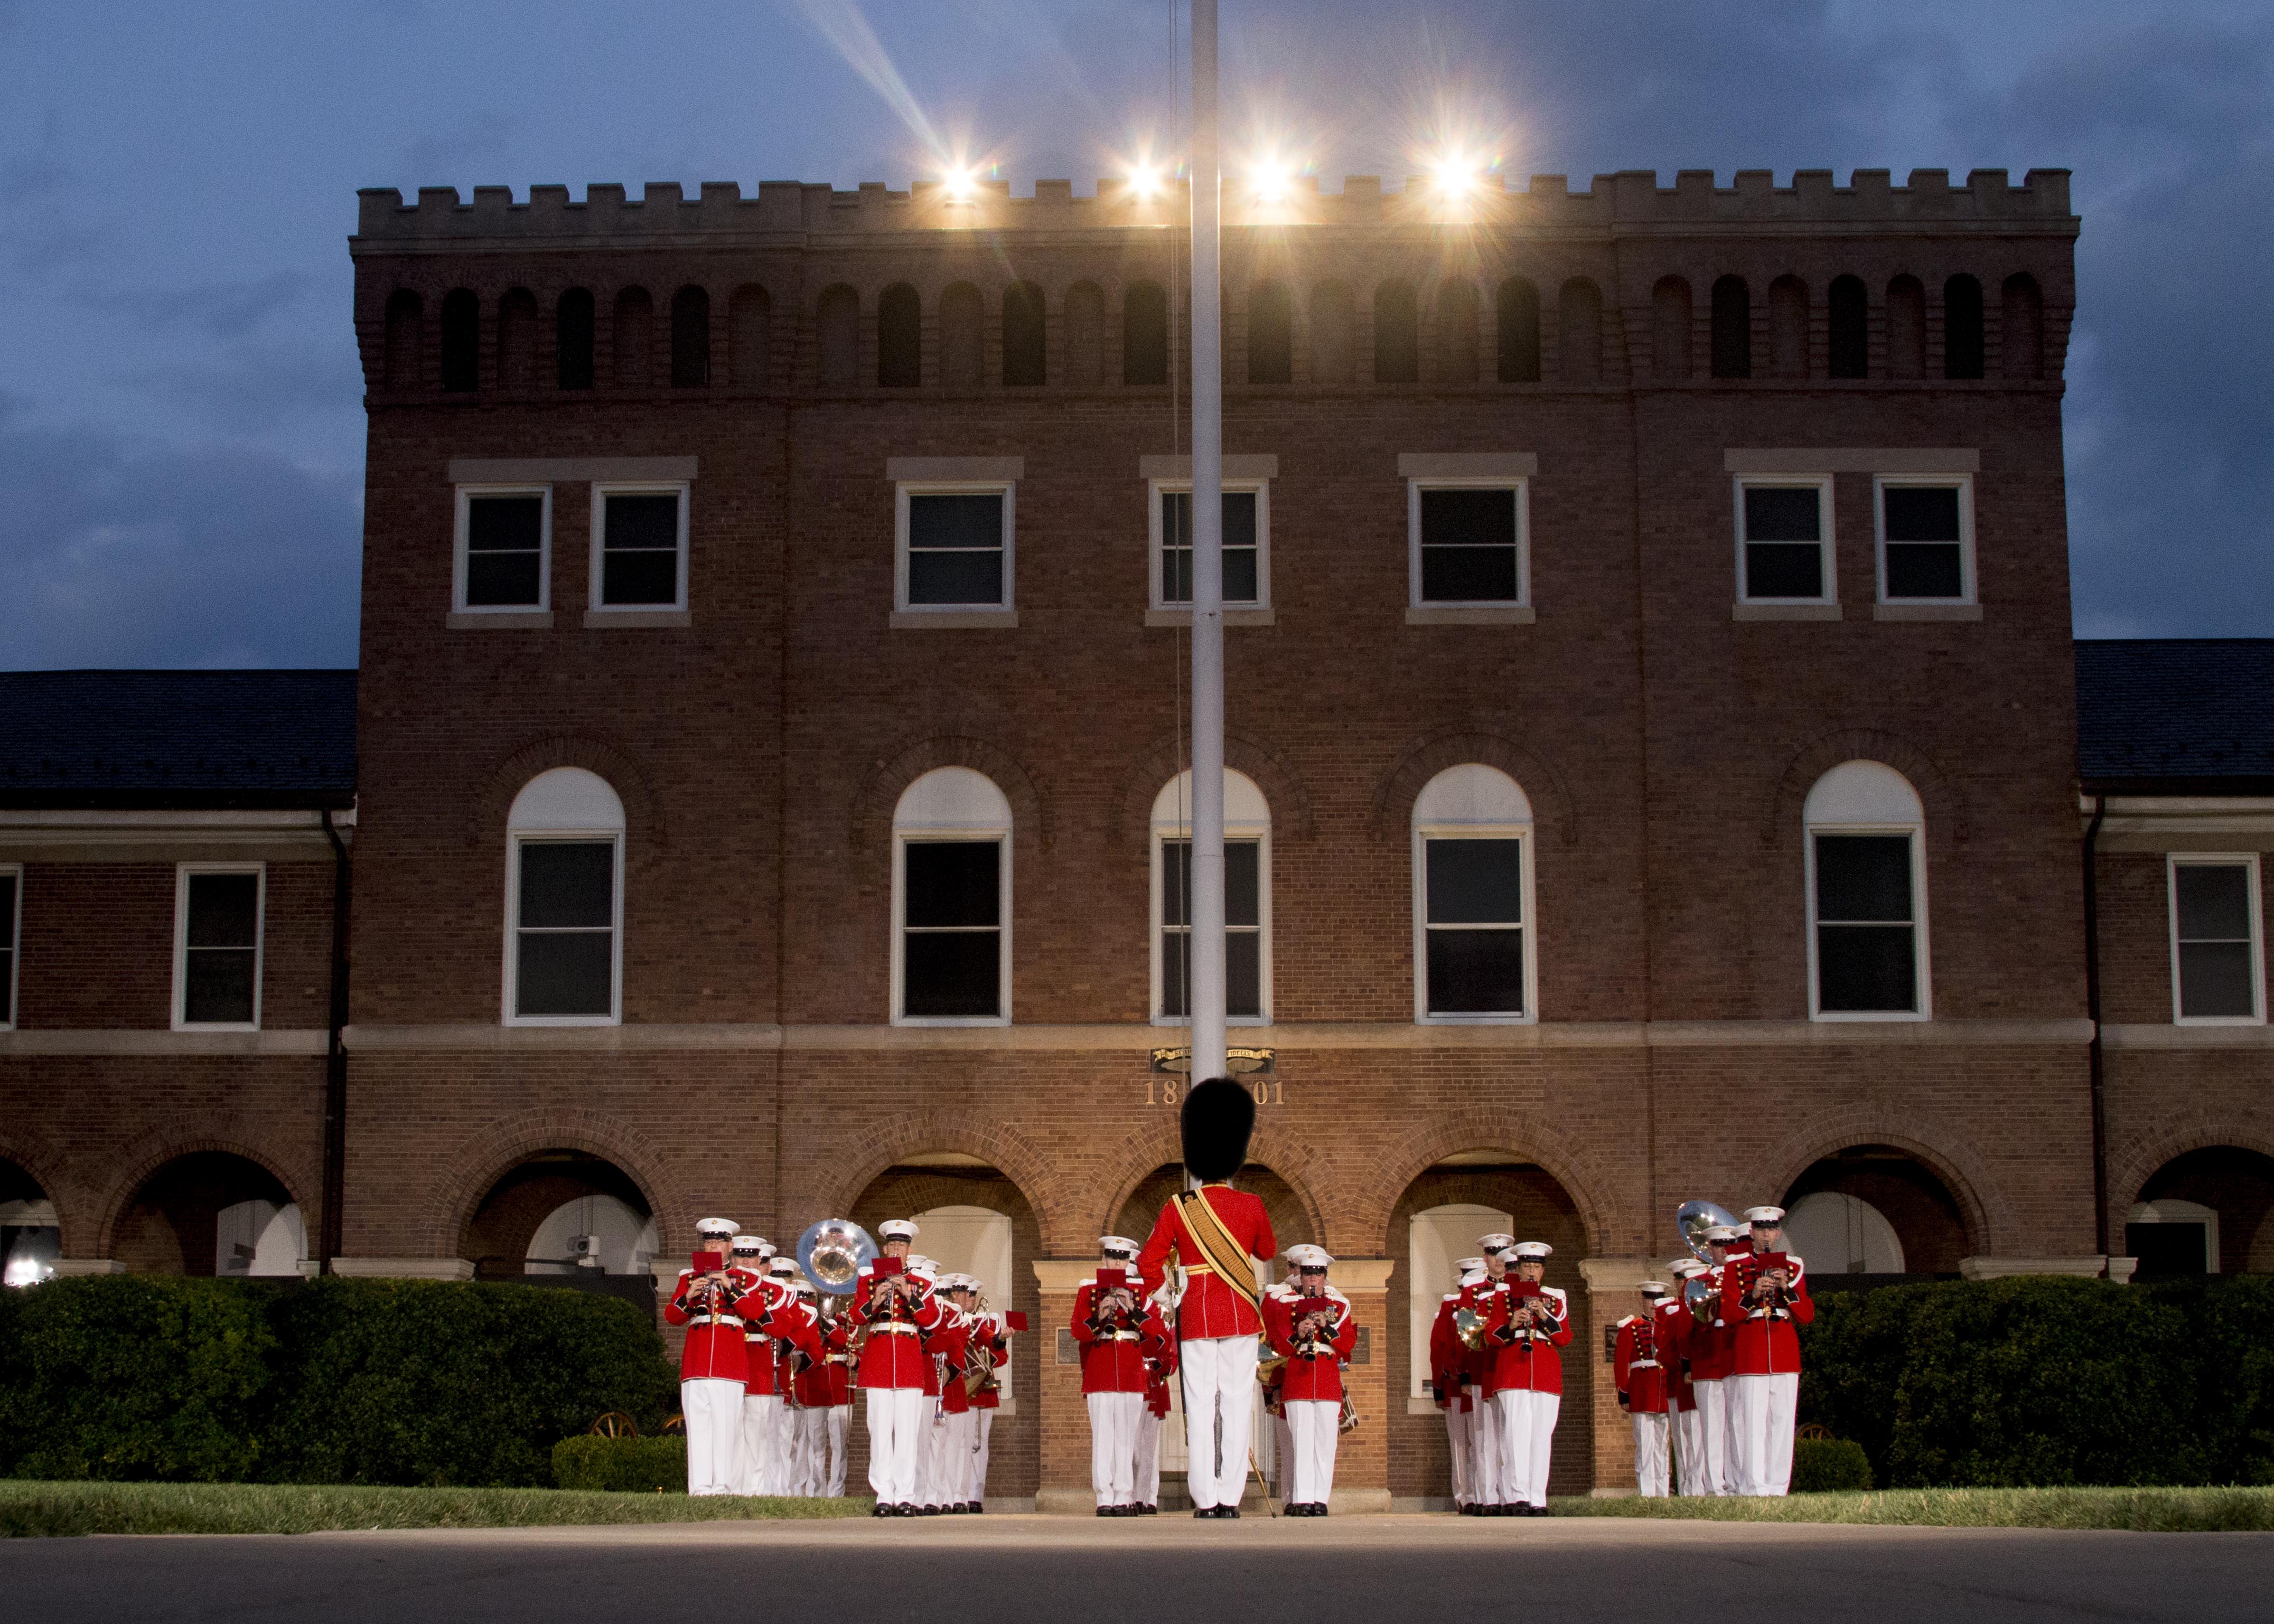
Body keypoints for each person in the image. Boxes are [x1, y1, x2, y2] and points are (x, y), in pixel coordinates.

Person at [1136, 1076, 1278, 1519]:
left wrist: (1168, 1294)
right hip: (1240, 1315)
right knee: (1236, 1406)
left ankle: (1205, 1498)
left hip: (1196, 1315)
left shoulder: (1178, 1206)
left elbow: (1147, 1262)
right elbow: (1268, 1250)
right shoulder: (1252, 1204)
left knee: (1198, 1407)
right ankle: (1230, 1498)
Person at [851, 1217, 943, 1516]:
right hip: (878, 1358)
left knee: (906, 1433)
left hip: (908, 1358)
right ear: (884, 1249)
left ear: (909, 1250)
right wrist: (875, 1300)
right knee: (879, 1431)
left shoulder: (922, 1282)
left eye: (901, 1246)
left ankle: (904, 1496)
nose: (895, 1250)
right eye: (891, 1245)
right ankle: (883, 1495)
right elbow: (857, 1317)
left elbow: (931, 1320)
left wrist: (909, 1295)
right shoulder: (868, 1280)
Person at [663, 1217, 760, 1496]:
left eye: (718, 1242)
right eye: (708, 1242)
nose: (713, 1246)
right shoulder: (688, 1277)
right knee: (698, 1428)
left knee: (726, 1428)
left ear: (730, 1247)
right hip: (696, 1363)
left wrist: (729, 1285)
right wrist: (688, 1296)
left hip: (728, 1364)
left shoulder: (745, 1278)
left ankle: (723, 1486)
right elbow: (672, 1317)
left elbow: (755, 1312)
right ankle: (700, 1488)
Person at [1724, 1205, 1812, 1496]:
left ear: (1777, 1233)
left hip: (1784, 1348)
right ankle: (1754, 1486)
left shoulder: (1794, 1266)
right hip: (1752, 1348)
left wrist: (1787, 1289)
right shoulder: (1735, 1266)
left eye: (1771, 1230)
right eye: (1760, 1229)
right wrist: (1753, 1295)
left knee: (1783, 1421)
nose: (1766, 1235)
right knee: (1753, 1421)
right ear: (1752, 1232)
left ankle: (1778, 1487)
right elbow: (1729, 1314)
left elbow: (1806, 1315)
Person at [1264, 1244, 1356, 1516]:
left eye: (1318, 1274)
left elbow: (1348, 1344)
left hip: (1326, 1375)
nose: (1313, 1279)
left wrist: (1326, 1327)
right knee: (1301, 1441)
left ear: (1325, 1277)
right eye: (1308, 1274)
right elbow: (1279, 1344)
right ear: (1300, 1276)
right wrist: (1299, 1334)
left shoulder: (1339, 1305)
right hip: (1298, 1375)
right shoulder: (1287, 1304)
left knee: (1326, 1442)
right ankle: (1302, 1498)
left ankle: (1320, 1499)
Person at [1484, 1240, 1570, 1516]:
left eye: (1536, 1267)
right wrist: (1512, 1323)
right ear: (1518, 1269)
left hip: (1546, 1371)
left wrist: (1543, 1314)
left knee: (1542, 1437)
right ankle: (1518, 1496)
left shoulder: (1555, 1298)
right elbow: (1491, 1336)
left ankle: (1538, 1498)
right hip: (1513, 1370)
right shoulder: (1504, 1296)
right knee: (1516, 1436)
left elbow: (1564, 1338)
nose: (1531, 1272)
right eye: (1527, 1267)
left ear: (1542, 1271)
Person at [1073, 1236, 1155, 1516]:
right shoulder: (1088, 1290)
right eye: (1113, 1258)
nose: (1118, 1264)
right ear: (1104, 1260)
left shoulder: (1140, 1291)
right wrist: (1100, 1315)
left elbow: (1155, 1330)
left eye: (1123, 1259)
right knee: (1103, 1436)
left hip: (1131, 1368)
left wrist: (1132, 1308)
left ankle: (1123, 1496)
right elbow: (1078, 1331)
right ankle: (1104, 1497)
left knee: (1126, 1438)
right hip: (1101, 1366)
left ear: (1128, 1262)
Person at [1688, 1223, 1742, 1496]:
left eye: (1729, 1246)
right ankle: (1714, 1486)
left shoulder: (1742, 1275)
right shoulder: (1698, 1282)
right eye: (1719, 1246)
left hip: (1734, 1355)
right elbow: (1695, 1322)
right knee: (1712, 1427)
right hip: (1709, 1358)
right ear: (1709, 1249)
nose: (1725, 1251)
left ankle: (1736, 1483)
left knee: (1737, 1424)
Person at [1469, 1236, 1517, 1514]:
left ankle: (1510, 1494)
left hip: (1515, 1367)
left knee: (1512, 1437)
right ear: (1485, 1258)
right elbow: (1470, 1338)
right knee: (1487, 1438)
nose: (1498, 1260)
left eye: (1503, 1255)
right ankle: (1488, 1498)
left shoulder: (1520, 1292)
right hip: (1486, 1367)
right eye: (1493, 1254)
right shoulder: (1474, 1292)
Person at [1613, 1280, 1673, 1498]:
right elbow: (1621, 1363)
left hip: (1664, 1389)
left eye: (1657, 1299)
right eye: (1649, 1299)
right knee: (1645, 1444)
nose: (1653, 1304)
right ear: (1643, 1301)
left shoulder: (1668, 1325)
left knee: (1662, 1445)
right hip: (1641, 1390)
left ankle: (1663, 1491)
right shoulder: (1631, 1327)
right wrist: (1624, 1393)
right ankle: (1647, 1491)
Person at [1133, 1284, 1178, 1516]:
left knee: (1149, 1449)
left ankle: (1147, 1497)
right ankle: (1133, 1495)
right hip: (1134, 1383)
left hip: (1153, 1387)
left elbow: (1171, 1359)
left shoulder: (1164, 1325)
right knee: (1133, 1448)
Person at [1664, 1260, 1707, 1496]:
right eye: (1681, 1279)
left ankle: (1704, 1486)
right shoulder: (1674, 1312)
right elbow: (1666, 1351)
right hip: (1686, 1383)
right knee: (1688, 1440)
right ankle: (1690, 1488)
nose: (1685, 1284)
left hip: (1710, 1373)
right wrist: (1686, 1366)